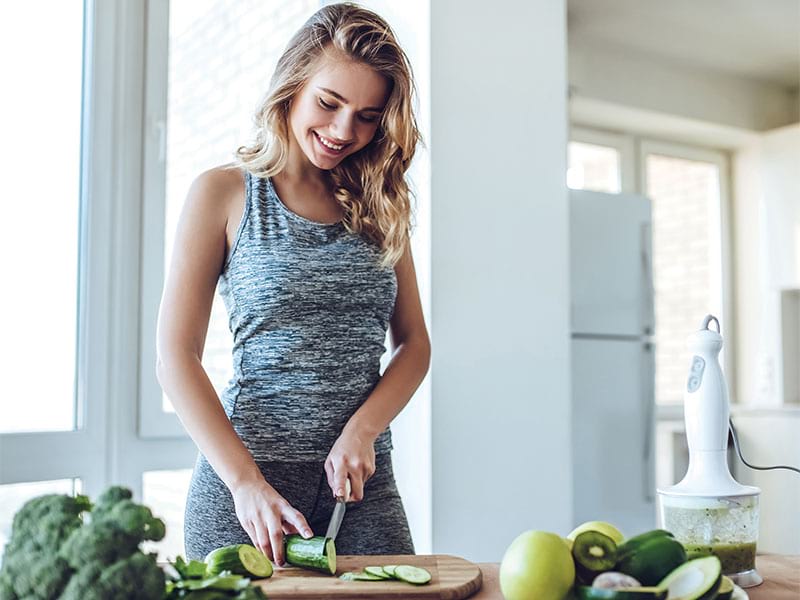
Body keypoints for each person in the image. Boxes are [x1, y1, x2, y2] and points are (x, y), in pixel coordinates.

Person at [155, 3, 429, 566]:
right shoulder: (224, 194)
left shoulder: (384, 205)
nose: (342, 131)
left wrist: (364, 430)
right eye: (329, 103)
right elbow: (174, 355)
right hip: (246, 490)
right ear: (293, 85)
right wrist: (244, 483)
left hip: (361, 492)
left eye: (368, 116)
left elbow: (414, 345)